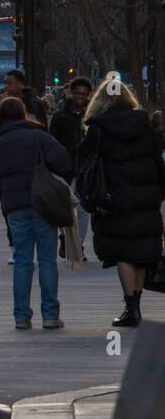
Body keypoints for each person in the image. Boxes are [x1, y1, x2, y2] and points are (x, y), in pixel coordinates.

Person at [77, 77, 165, 328]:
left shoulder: (98, 128)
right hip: (146, 198)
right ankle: (135, 304)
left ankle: (130, 307)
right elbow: (158, 162)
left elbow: (85, 161)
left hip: (115, 198)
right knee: (140, 253)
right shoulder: (144, 126)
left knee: (124, 252)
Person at [0, 96, 72, 329]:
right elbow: (63, 159)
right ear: (24, 113)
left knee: (23, 261)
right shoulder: (38, 136)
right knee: (47, 260)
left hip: (15, 207)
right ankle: (50, 315)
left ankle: (22, 317)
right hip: (43, 203)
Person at [49, 76, 92, 250]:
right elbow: (52, 141)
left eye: (84, 94)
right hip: (65, 168)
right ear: (71, 94)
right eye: (77, 93)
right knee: (64, 207)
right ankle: (65, 238)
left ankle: (78, 246)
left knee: (82, 209)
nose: (80, 97)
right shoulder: (60, 116)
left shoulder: (92, 115)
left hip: (85, 168)